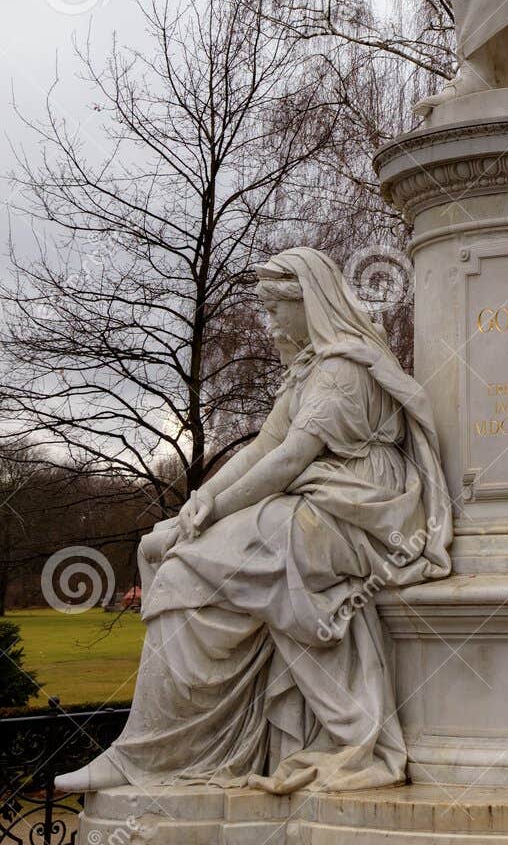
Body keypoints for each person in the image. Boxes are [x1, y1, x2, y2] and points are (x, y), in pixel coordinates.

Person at [56, 249, 451, 796]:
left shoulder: (343, 369)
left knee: (186, 565)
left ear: (306, 302)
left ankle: (151, 755)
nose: (267, 324)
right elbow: (266, 445)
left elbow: (290, 459)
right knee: (171, 556)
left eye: (272, 310)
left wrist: (215, 513)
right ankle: (159, 748)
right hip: (322, 502)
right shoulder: (311, 368)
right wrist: (200, 499)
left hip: (357, 512)